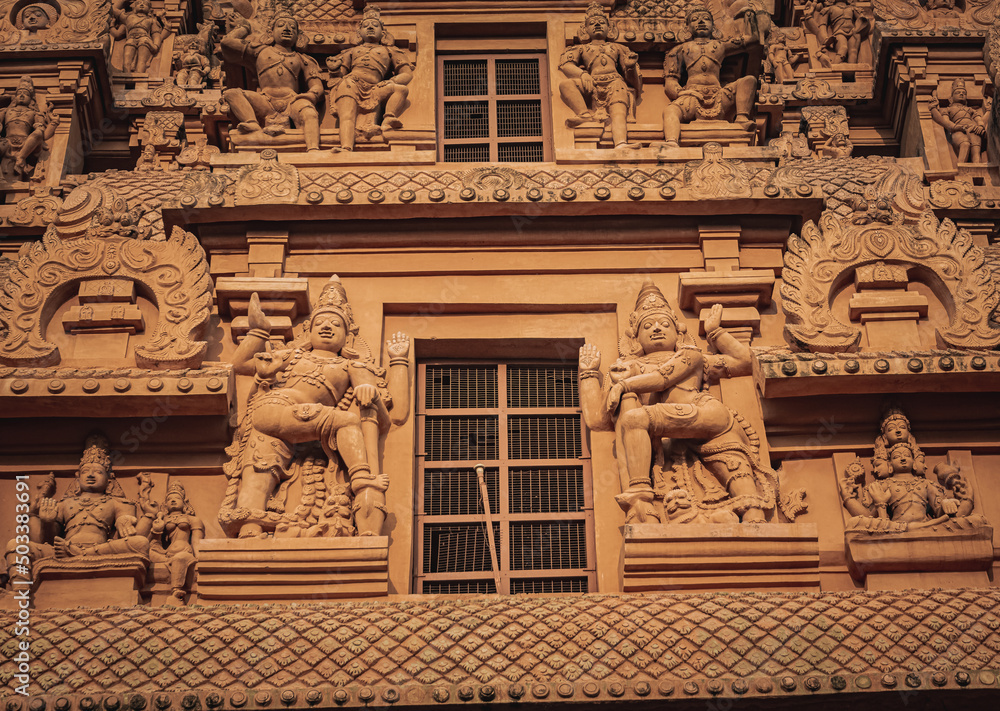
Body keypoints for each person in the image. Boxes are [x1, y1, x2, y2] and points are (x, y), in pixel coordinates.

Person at [220, 276, 410, 538]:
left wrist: (382, 379)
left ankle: (249, 528)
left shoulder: (350, 365)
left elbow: (386, 407)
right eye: (320, 323)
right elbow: (241, 364)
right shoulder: (291, 355)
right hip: (273, 408)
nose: (327, 327)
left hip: (283, 419)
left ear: (348, 336)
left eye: (336, 324)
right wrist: (259, 332)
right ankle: (360, 477)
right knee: (344, 421)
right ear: (308, 331)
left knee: (263, 466)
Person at [578, 281, 778, 524]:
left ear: (679, 331)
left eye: (665, 324)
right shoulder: (627, 368)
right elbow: (598, 419)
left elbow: (745, 361)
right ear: (635, 338)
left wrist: (715, 332)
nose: (656, 329)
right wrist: (589, 375)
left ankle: (640, 491)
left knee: (637, 418)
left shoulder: (692, 356)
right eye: (648, 326)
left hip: (704, 411)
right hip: (677, 423)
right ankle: (642, 503)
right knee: (724, 454)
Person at [15, 434, 152, 573]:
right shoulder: (64, 503)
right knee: (16, 546)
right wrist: (47, 523)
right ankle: (20, 590)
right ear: (77, 477)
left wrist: (124, 522)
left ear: (109, 479)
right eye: (85, 471)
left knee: (141, 543)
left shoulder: (117, 502)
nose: (91, 475)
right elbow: (51, 540)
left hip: (99, 549)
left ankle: (79, 553)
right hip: (62, 548)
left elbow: (128, 531)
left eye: (98, 471)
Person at [221, 12, 323, 150]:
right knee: (231, 93)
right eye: (281, 25)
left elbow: (316, 85)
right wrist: (244, 28)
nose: (287, 29)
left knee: (310, 113)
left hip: (292, 101)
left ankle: (313, 150)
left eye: (292, 28)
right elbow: (227, 43)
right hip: (265, 100)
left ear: (298, 36)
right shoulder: (259, 51)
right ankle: (252, 124)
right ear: (271, 32)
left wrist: (310, 96)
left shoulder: (304, 59)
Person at [661, 5, 758, 147]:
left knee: (749, 80)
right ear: (687, 27)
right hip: (692, 97)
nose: (701, 22)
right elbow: (670, 83)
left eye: (706, 19)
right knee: (670, 111)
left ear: (713, 26)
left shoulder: (720, 46)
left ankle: (742, 118)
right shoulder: (678, 51)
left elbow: (752, 39)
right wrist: (686, 92)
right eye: (695, 19)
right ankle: (671, 142)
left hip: (719, 95)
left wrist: (750, 16)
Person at [326, 5, 413, 152]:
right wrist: (334, 70)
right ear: (359, 32)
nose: (370, 28)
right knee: (347, 115)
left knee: (402, 90)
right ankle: (346, 147)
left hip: (376, 86)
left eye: (375, 25)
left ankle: (387, 119)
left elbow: (407, 74)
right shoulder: (351, 51)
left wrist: (391, 81)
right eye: (366, 26)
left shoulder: (390, 51)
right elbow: (341, 73)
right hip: (351, 83)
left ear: (383, 32)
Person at [559, 2, 641, 149]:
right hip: (592, 84)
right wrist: (583, 74)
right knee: (565, 84)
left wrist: (630, 67)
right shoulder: (581, 48)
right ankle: (584, 114)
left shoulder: (618, 48)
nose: (597, 25)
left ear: (610, 28)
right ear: (585, 30)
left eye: (602, 22)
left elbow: (634, 81)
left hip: (615, 83)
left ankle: (621, 143)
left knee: (618, 111)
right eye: (592, 23)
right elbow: (566, 65)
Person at [842, 442, 958, 531]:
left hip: (927, 525)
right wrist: (879, 503)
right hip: (897, 527)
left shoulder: (926, 483)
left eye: (907, 455)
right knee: (855, 523)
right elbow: (870, 517)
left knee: (973, 520)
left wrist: (945, 504)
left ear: (914, 462)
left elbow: (938, 513)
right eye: (897, 457)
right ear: (890, 464)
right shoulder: (883, 484)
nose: (903, 459)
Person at [145, 479, 203, 605]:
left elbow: (196, 540)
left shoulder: (193, 519)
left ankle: (176, 593)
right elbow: (152, 542)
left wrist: (198, 558)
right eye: (169, 499)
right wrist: (156, 529)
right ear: (165, 505)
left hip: (185, 552)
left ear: (184, 502)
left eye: (177, 498)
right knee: (145, 552)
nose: (173, 500)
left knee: (180, 558)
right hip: (166, 554)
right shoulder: (163, 519)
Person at [0, 76, 58, 180]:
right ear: (15, 97)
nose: (22, 96)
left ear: (31, 99)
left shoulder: (34, 113)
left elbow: (43, 135)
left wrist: (53, 122)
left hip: (27, 144)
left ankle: (20, 158)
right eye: (19, 94)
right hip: (7, 142)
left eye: (26, 94)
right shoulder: (5, 111)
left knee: (39, 132)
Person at [930, 78, 987, 164]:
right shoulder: (948, 109)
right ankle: (961, 169)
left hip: (972, 129)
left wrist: (980, 126)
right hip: (958, 130)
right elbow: (946, 121)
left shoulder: (969, 109)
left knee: (976, 150)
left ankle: (978, 170)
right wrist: (956, 127)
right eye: (958, 92)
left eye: (963, 93)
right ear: (951, 98)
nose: (961, 94)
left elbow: (979, 119)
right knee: (965, 144)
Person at [110, 0, 170, 74]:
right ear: (134, 7)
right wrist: (124, 1)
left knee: (141, 61)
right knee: (127, 60)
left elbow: (156, 35)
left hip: (144, 39)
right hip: (130, 39)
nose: (142, 4)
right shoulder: (128, 17)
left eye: (145, 4)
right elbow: (112, 9)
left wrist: (155, 46)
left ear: (149, 9)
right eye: (138, 3)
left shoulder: (151, 20)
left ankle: (139, 77)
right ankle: (126, 76)